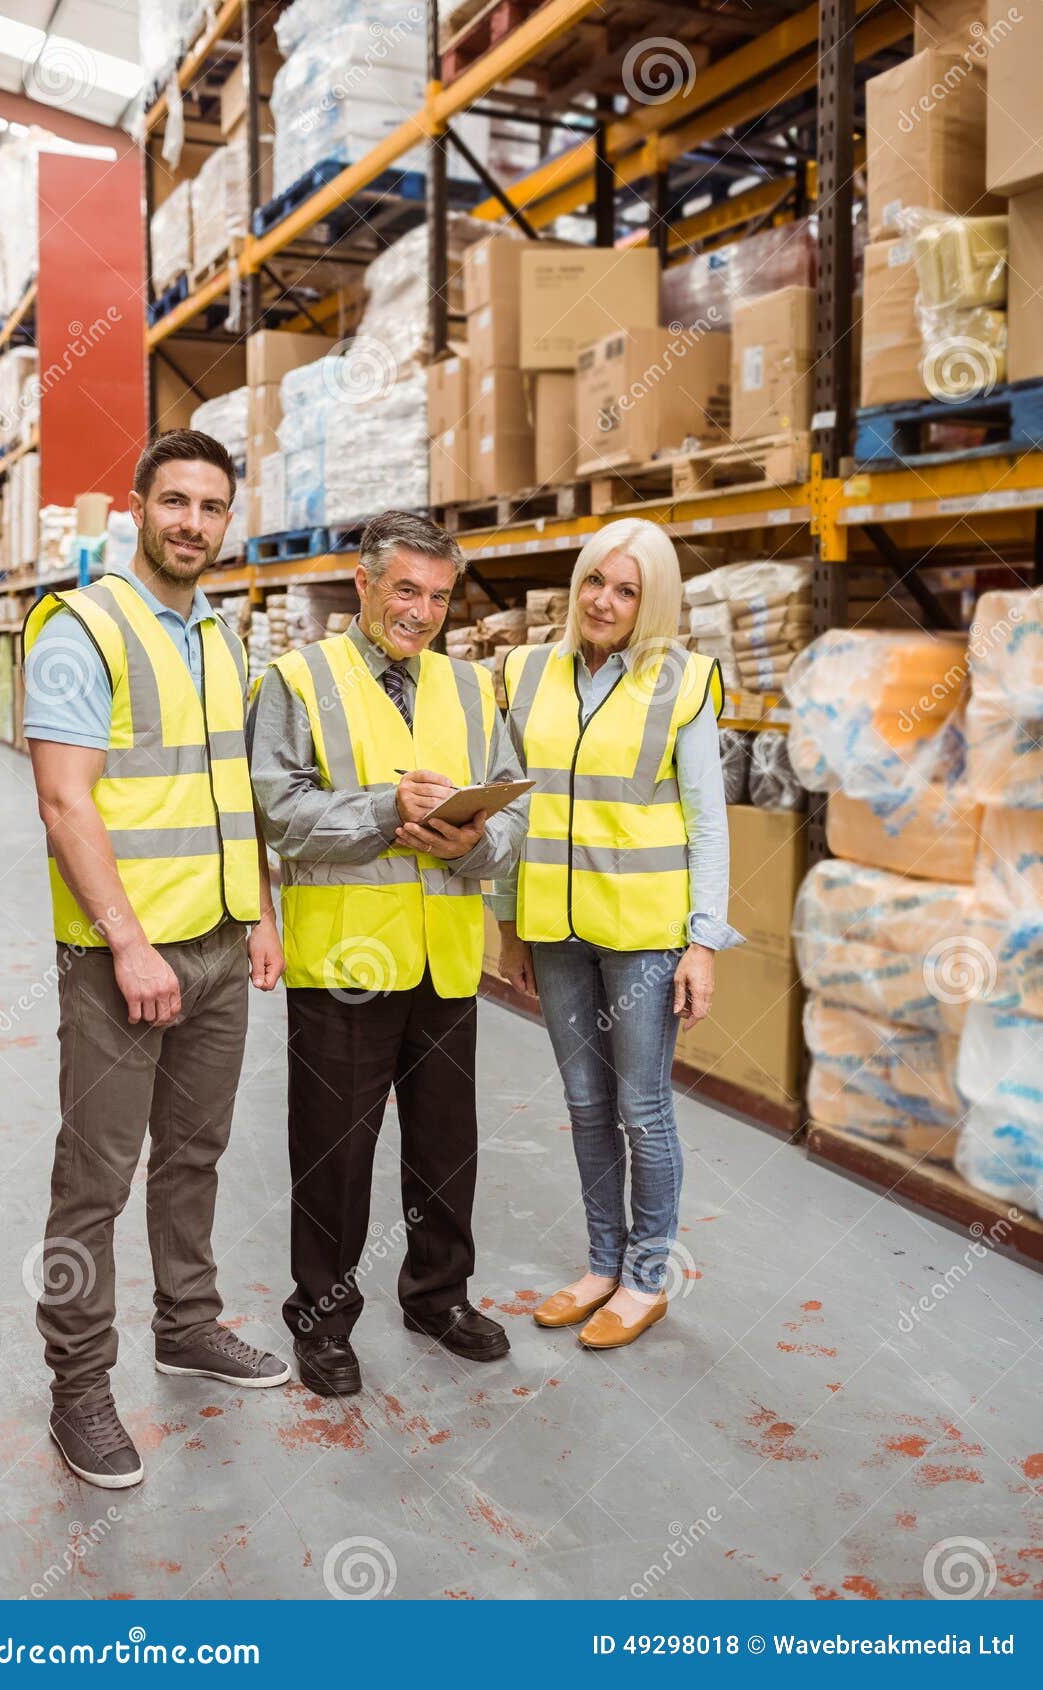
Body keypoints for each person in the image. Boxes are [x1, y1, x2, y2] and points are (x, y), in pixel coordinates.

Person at [23, 429, 288, 1491]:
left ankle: (187, 1323)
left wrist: (259, 910)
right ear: (136, 506)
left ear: (229, 519)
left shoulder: (221, 634)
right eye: (173, 500)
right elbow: (62, 798)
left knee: (194, 1153)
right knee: (93, 1178)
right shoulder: (81, 626)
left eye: (210, 506)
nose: (191, 521)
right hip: (120, 959)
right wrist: (129, 943)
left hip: (221, 946)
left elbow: (232, 790)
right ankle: (78, 1386)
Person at [248, 509, 529, 1398]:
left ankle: (438, 1296)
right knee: (334, 1152)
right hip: (346, 966)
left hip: (446, 958)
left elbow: (514, 815)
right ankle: (322, 1319)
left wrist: (472, 848)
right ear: (363, 583)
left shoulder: (471, 688)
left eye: (439, 596)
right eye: (405, 589)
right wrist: (383, 810)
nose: (420, 612)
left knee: (447, 1145)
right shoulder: (297, 681)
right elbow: (276, 812)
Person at [493, 518, 744, 1351]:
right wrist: (509, 923)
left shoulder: (684, 682)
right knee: (583, 1104)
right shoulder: (527, 669)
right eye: (595, 581)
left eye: (627, 589)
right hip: (556, 927)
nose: (604, 601)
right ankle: (601, 1264)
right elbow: (513, 802)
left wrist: (702, 942)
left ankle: (644, 1280)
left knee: (642, 1110)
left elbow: (708, 823)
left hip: (643, 935)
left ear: (654, 601)